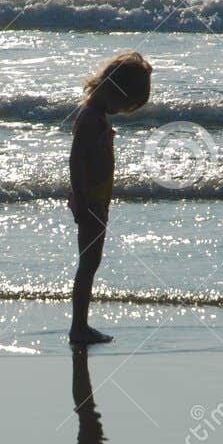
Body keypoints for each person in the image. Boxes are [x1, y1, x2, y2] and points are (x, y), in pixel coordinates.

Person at [68, 50, 152, 344]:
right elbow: (76, 161)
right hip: (90, 199)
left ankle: (81, 325)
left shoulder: (97, 115)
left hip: (96, 198)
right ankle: (79, 327)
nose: (124, 111)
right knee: (88, 264)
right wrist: (82, 201)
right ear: (116, 91)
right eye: (126, 104)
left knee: (91, 262)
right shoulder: (90, 117)